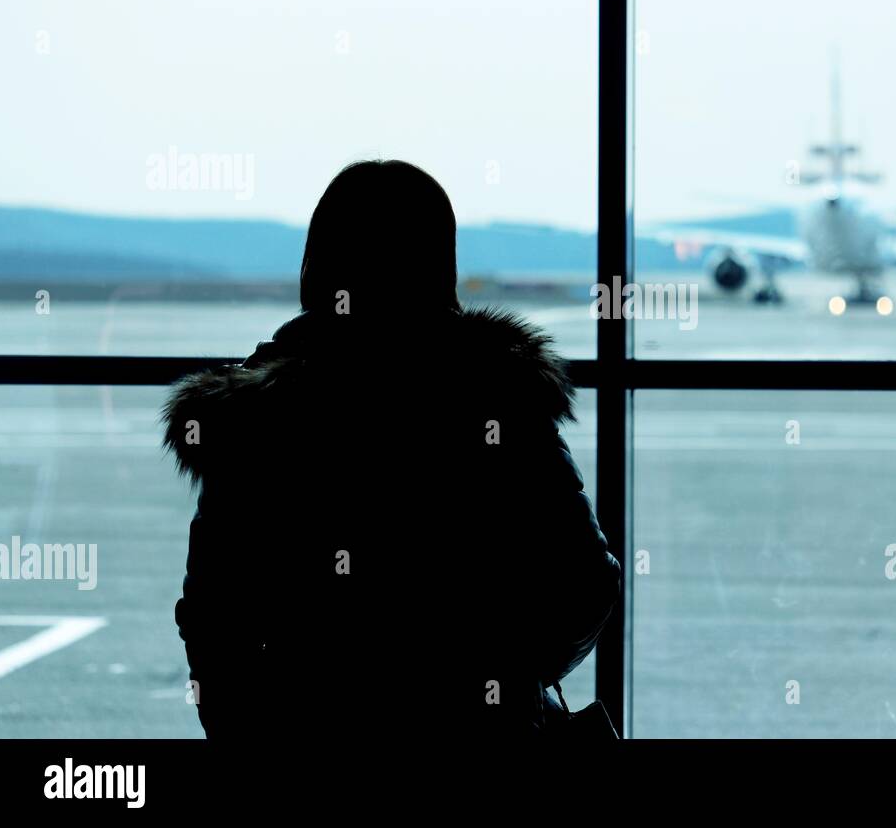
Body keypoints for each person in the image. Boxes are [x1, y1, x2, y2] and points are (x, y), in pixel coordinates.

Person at [163, 160, 620, 740]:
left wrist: (252, 730)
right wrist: (499, 681)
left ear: (318, 264)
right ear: (439, 264)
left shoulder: (255, 416)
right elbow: (584, 584)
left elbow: (213, 616)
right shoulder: (495, 398)